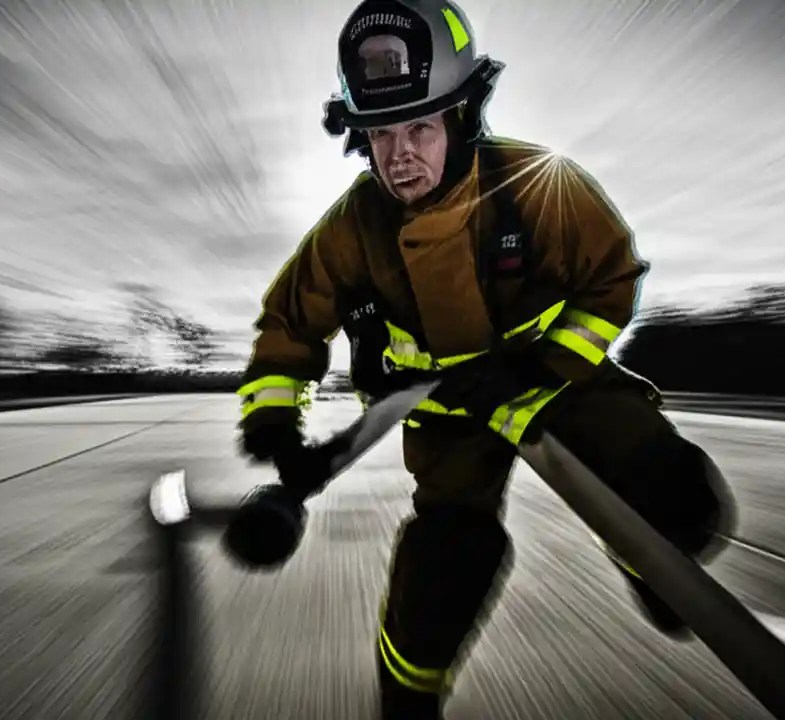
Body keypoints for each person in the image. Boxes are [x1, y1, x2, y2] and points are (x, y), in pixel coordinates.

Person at [234, 1, 734, 717]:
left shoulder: (538, 186)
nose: (399, 155)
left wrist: (543, 368)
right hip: (447, 421)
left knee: (675, 494)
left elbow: (611, 278)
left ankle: (655, 567)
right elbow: (291, 319)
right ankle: (407, 697)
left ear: (462, 116)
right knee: (443, 572)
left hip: (559, 385)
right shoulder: (353, 227)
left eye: (420, 127)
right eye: (381, 133)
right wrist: (275, 421)